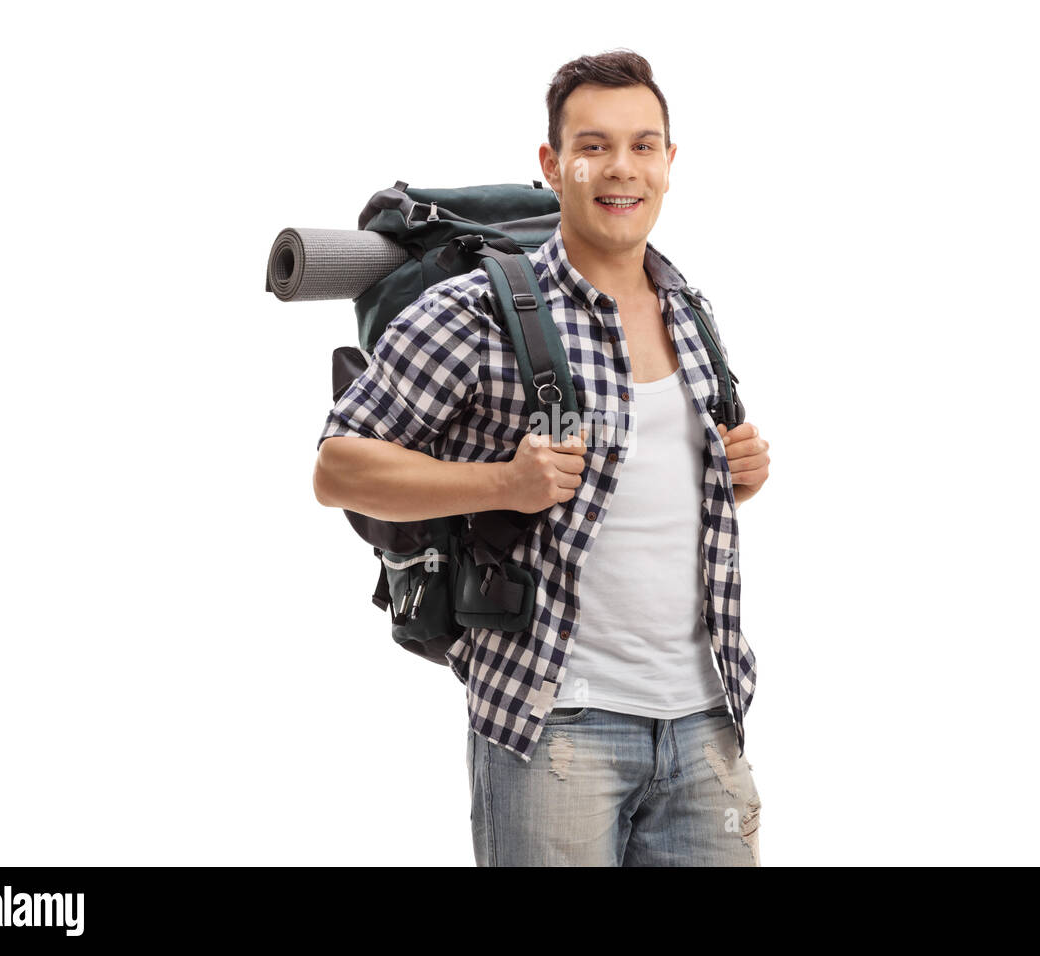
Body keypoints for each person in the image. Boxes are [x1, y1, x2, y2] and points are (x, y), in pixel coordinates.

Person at [313, 49, 770, 866]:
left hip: (707, 722)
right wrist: (504, 483)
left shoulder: (693, 311)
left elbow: (664, 499)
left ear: (670, 162)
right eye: (593, 146)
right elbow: (338, 467)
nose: (620, 168)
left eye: (642, 145)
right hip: (558, 724)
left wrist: (740, 474)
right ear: (553, 166)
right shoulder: (477, 309)